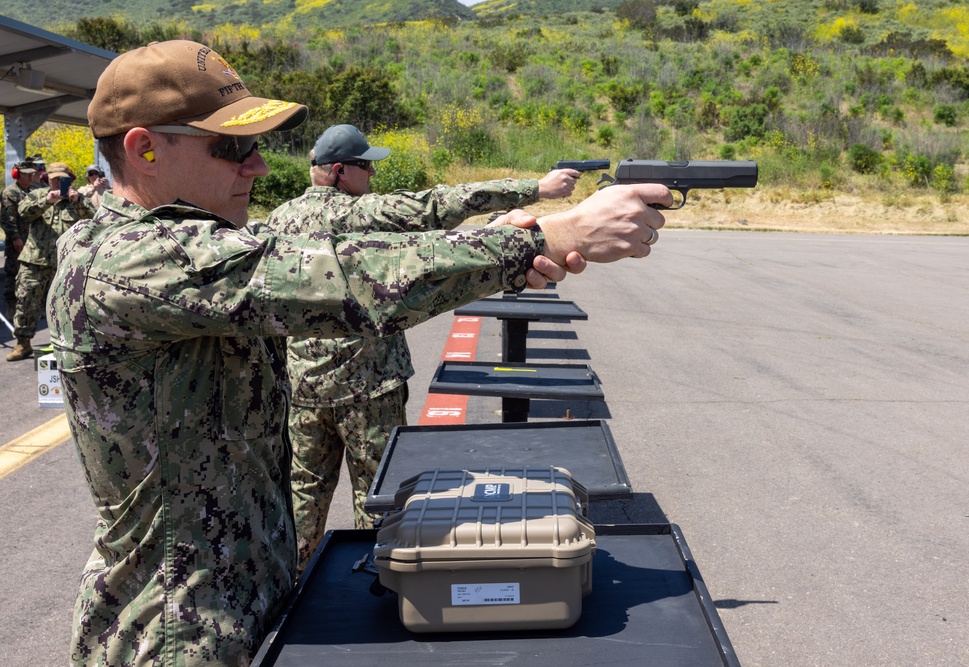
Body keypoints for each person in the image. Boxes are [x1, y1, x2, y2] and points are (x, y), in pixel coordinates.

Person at [47, 39, 669, 667]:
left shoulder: (182, 246)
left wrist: (490, 243)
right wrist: (552, 234)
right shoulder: (123, 259)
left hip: (237, 602)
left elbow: (308, 262)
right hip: (177, 635)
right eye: (232, 148)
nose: (258, 167)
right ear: (144, 148)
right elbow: (341, 280)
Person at [267, 124, 583, 568]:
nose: (372, 176)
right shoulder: (362, 213)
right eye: (366, 167)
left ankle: (291, 586)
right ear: (340, 171)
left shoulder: (279, 219)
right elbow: (442, 203)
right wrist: (534, 188)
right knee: (380, 496)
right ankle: (375, 584)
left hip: (303, 392)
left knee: (302, 493)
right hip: (368, 391)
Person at [6, 162, 94, 361]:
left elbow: (95, 218)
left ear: (69, 179)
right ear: (47, 179)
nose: (58, 183)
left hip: (67, 263)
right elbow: (23, 211)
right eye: (54, 179)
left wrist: (77, 200)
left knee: (70, 305)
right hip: (35, 261)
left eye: (62, 179)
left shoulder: (78, 198)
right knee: (26, 301)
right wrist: (46, 201)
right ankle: (23, 343)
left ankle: (71, 345)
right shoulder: (38, 195)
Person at [1, 161, 39, 320]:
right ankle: (11, 306)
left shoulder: (33, 191)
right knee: (13, 273)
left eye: (32, 173)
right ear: (17, 175)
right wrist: (15, 238)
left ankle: (30, 308)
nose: (30, 176)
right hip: (18, 241)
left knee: (32, 275)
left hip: (33, 241)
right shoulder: (10, 192)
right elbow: (7, 218)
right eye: (26, 174)